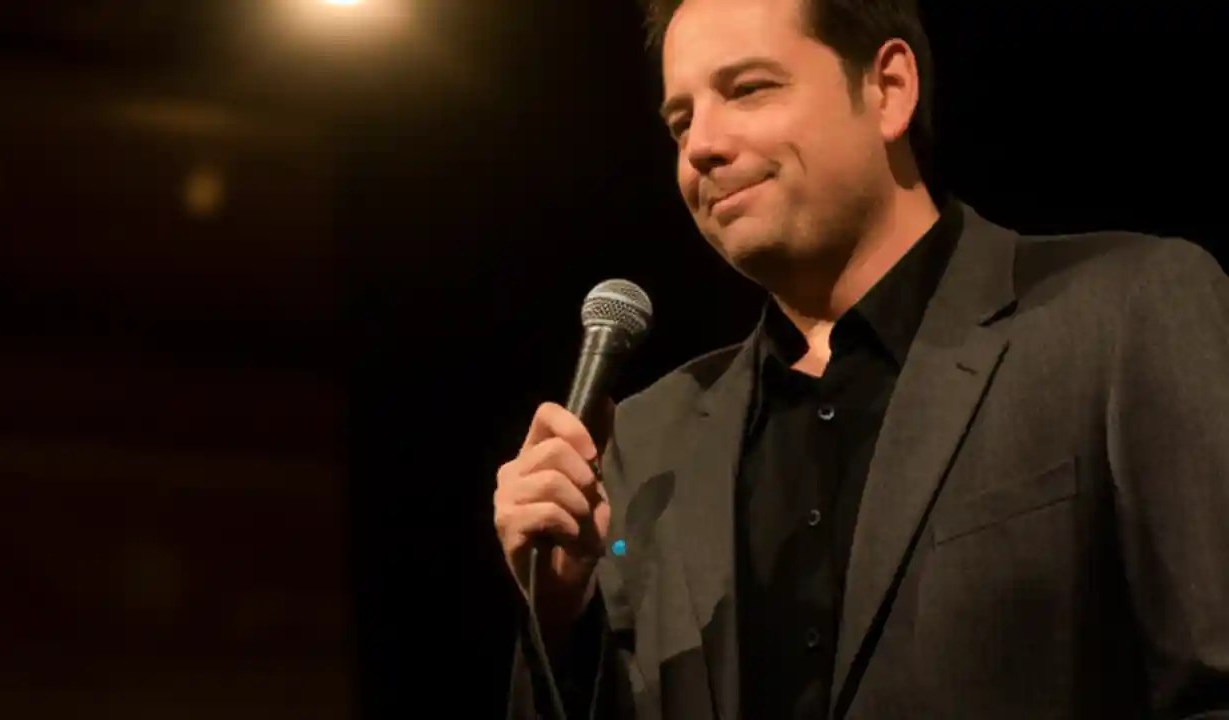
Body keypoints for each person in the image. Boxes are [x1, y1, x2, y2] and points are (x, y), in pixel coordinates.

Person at [493, 0, 1229, 716]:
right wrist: (561, 613)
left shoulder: (1121, 314)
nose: (701, 146)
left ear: (889, 89)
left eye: (747, 90)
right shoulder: (645, 446)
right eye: (680, 121)